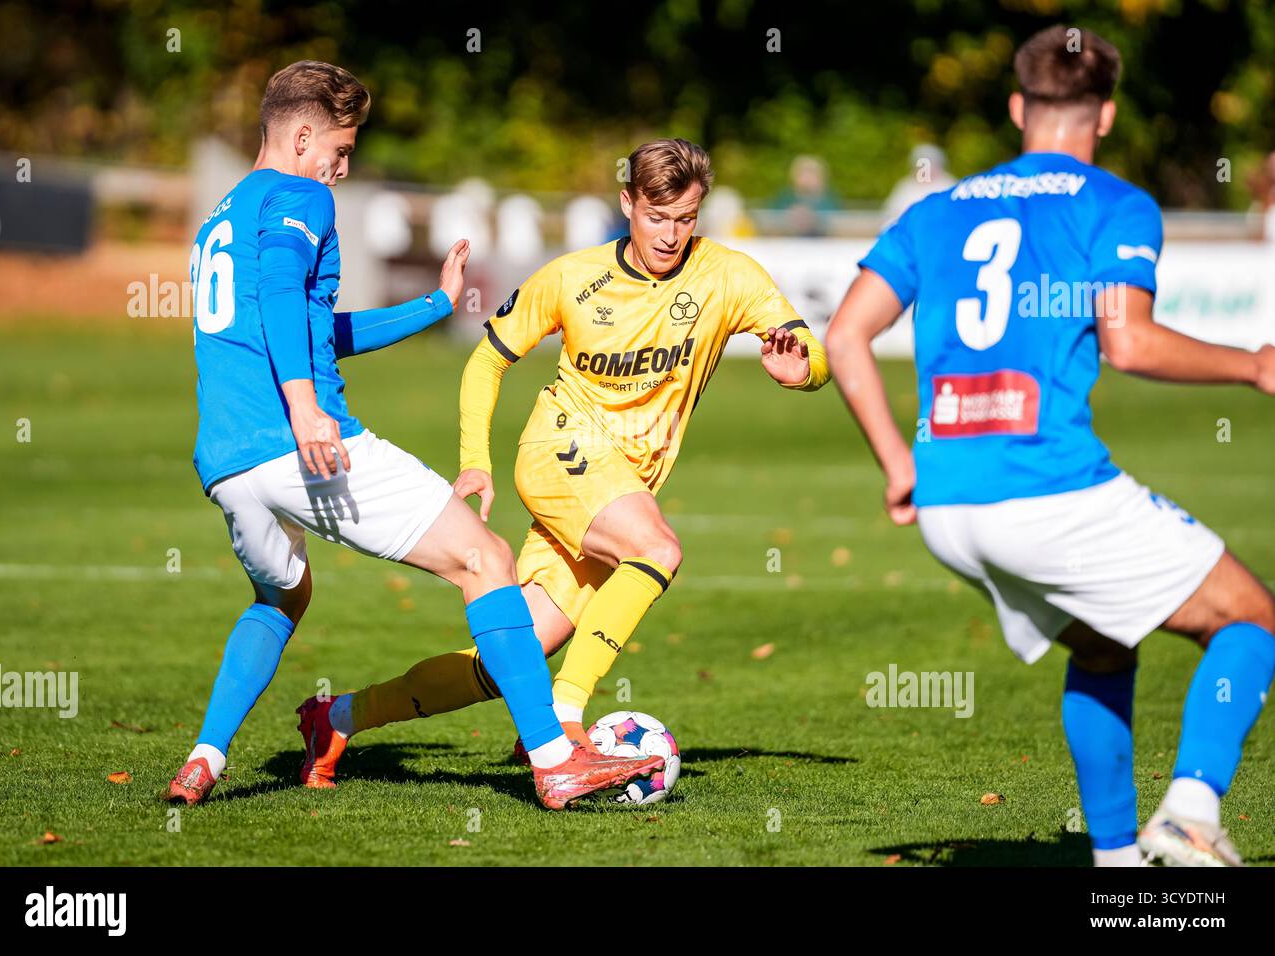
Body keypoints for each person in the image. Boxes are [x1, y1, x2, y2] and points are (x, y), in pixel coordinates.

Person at [826, 25, 1275, 866]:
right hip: (1046, 487)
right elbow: (1131, 343)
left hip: (948, 503)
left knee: (1104, 644)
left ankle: (1115, 865)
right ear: (1104, 115)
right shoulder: (1112, 203)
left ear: (1015, 108)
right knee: (1252, 618)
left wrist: (898, 463)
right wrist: (1253, 365)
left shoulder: (936, 210)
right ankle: (1190, 815)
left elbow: (846, 335)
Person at [164, 60, 662, 811]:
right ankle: (556, 760)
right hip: (301, 444)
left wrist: (433, 306)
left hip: (229, 466)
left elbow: (307, 327)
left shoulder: (229, 210)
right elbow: (275, 295)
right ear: (302, 135)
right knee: (486, 558)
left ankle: (204, 757)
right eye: (341, 146)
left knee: (281, 598)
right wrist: (303, 408)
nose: (343, 165)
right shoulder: (301, 195)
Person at [297, 138, 831, 779]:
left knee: (506, 661)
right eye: (656, 217)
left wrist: (803, 369)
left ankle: (337, 718)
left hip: (619, 485)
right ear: (627, 201)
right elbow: (488, 359)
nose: (670, 234)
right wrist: (475, 459)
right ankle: (566, 721)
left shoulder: (730, 277)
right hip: (560, 450)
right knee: (657, 549)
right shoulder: (573, 277)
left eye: (685, 219)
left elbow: (809, 350)